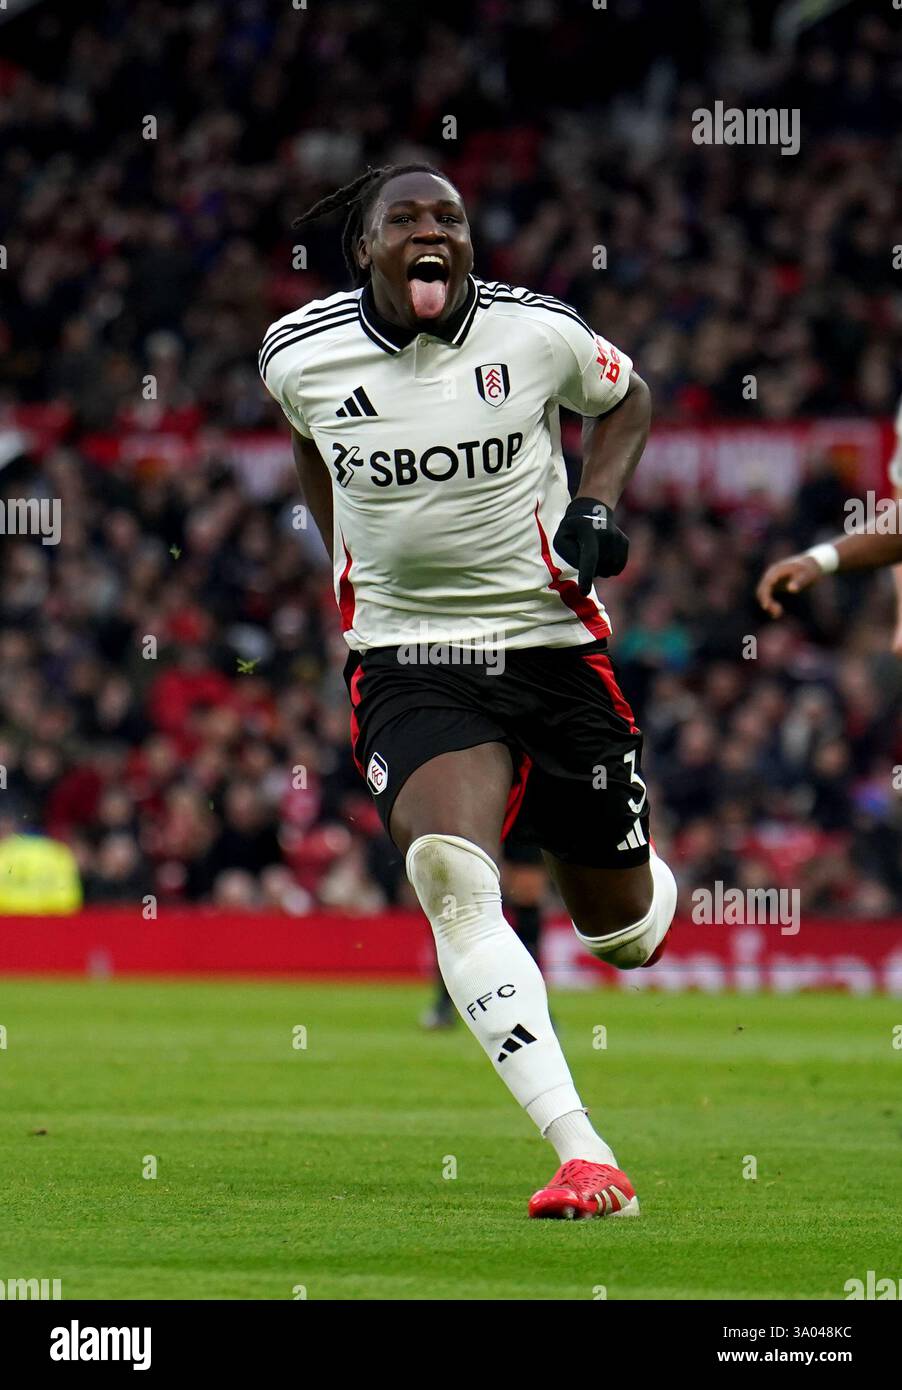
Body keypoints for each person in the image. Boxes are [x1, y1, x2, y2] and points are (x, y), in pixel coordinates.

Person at [259, 163, 678, 1220]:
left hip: (547, 645)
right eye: (406, 219)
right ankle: (583, 1153)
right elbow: (314, 443)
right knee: (451, 870)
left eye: (448, 217)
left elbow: (626, 397)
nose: (432, 231)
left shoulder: (535, 333)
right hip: (407, 652)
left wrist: (594, 500)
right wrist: (346, 555)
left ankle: (621, 863)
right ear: (365, 247)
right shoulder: (296, 353)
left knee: (621, 933)